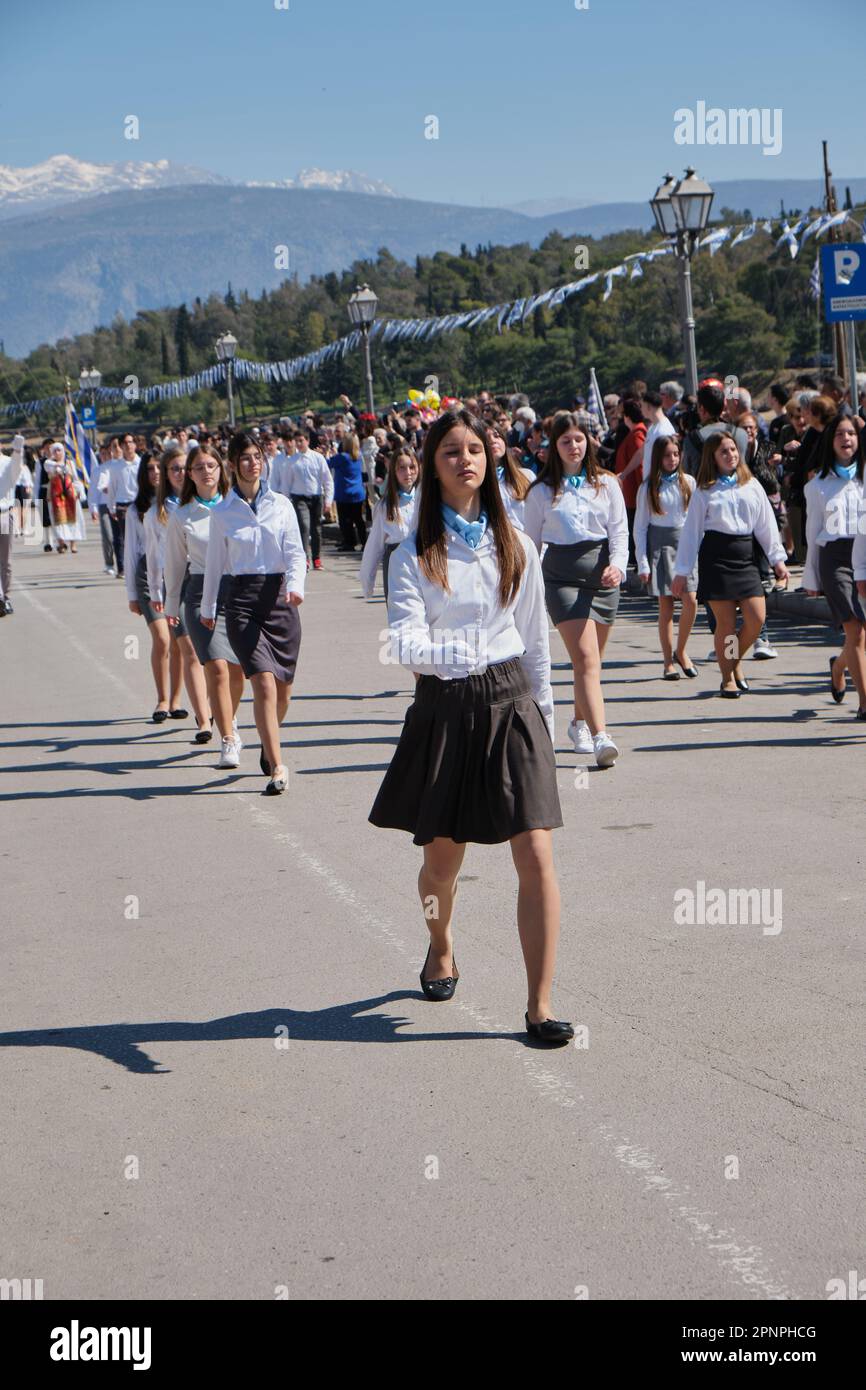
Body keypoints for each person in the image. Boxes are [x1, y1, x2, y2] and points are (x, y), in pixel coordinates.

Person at [368, 409, 572, 1044]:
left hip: (512, 703)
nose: (466, 460)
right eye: (451, 451)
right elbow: (402, 640)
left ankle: (539, 1008)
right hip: (446, 710)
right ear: (432, 465)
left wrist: (546, 713)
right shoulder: (413, 552)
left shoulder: (515, 541)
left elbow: (536, 636)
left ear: (490, 459)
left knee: (536, 852)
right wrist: (447, 654)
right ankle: (441, 941)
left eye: (476, 449)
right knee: (440, 867)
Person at [201, 432, 306, 795]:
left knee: (283, 691)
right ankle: (278, 766)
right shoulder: (223, 512)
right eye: (244, 457)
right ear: (233, 464)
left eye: (257, 456)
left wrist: (296, 586)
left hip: (280, 599)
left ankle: (267, 738)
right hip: (241, 601)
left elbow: (295, 552)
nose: (252, 463)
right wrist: (208, 607)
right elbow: (215, 563)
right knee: (261, 681)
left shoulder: (282, 505)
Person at [524, 410, 628, 767]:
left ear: (589, 442)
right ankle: (602, 737)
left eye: (579, 439)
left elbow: (619, 531)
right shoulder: (541, 491)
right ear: (553, 446)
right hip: (561, 580)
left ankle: (579, 723)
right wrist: (528, 588)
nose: (573, 446)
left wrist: (618, 565)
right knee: (585, 659)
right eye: (565, 440)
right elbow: (530, 543)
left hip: (602, 579)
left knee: (591, 663)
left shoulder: (607, 483)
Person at [672, 432, 788, 698]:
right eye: (724, 451)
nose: (731, 455)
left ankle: (733, 662)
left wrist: (777, 560)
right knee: (725, 625)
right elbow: (691, 533)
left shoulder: (752, 485)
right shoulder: (704, 490)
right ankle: (728, 679)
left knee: (756, 619)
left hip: (745, 557)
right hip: (716, 558)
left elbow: (766, 526)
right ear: (713, 457)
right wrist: (682, 571)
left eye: (733, 450)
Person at [153, 442, 246, 769]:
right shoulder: (182, 515)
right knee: (216, 667)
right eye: (198, 468)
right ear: (189, 476)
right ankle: (228, 739)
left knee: (238, 673)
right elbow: (175, 565)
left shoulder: (237, 506)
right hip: (198, 594)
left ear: (221, 469)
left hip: (236, 592)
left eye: (211, 466)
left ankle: (228, 717)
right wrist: (171, 605)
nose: (205, 472)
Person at [144, 447, 211, 741]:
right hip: (178, 584)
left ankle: (222, 711)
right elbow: (153, 559)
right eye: (174, 469)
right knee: (191, 652)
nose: (181, 474)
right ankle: (204, 719)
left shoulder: (210, 505)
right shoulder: (156, 513)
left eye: (186, 468)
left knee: (218, 657)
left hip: (208, 581)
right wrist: (156, 592)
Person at [804, 414, 866, 718]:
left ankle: (839, 665)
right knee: (854, 627)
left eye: (852, 433)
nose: (847, 439)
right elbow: (812, 532)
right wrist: (810, 575)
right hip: (835, 559)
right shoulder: (818, 486)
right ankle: (865, 703)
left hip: (864, 555)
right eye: (840, 434)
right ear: (831, 441)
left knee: (860, 635)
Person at [124, 453, 190, 721]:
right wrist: (131, 594)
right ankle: (161, 699)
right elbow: (130, 551)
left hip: (177, 575)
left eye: (158, 468)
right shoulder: (137, 509)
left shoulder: (180, 504)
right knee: (162, 639)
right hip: (147, 576)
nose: (154, 473)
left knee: (178, 642)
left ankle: (175, 700)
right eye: (149, 469)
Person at [635, 436, 698, 678]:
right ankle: (667, 661)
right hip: (660, 546)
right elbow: (640, 527)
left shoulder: (689, 482)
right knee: (667, 607)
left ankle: (681, 651)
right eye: (666, 455)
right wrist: (642, 561)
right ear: (657, 458)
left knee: (690, 600)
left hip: (685, 546)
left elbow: (695, 520)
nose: (672, 459)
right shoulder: (648, 487)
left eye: (675, 454)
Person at [359, 447, 419, 601]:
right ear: (394, 471)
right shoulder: (385, 506)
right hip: (396, 565)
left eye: (412, 467)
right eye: (402, 468)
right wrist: (368, 582)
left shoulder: (425, 500)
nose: (408, 473)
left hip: (422, 561)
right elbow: (374, 545)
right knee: (402, 617)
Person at [277, 430, 334, 571]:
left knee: (317, 529)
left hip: (316, 496)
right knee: (304, 526)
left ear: (307, 441)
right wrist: (285, 502)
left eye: (301, 440)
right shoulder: (291, 461)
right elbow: (286, 483)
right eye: (297, 441)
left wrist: (328, 500)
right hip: (299, 497)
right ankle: (304, 559)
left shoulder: (318, 458)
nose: (299, 444)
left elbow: (327, 480)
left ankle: (317, 558)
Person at [682, 382, 749, 478]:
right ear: (723, 407)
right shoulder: (741, 434)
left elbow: (688, 476)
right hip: (740, 488)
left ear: (701, 409)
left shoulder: (692, 439)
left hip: (706, 490)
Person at [613, 399, 647, 567]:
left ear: (627, 417)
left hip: (635, 495)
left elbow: (640, 466)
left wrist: (643, 494)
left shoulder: (637, 435)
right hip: (632, 493)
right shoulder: (635, 433)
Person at [484, 423, 534, 530]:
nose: (492, 440)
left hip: (532, 544)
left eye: (497, 436)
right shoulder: (478, 485)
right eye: (486, 438)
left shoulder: (526, 475)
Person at [106, 433, 141, 577]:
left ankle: (142, 567)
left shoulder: (142, 463)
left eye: (131, 442)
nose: (128, 445)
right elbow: (112, 488)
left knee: (143, 537)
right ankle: (126, 568)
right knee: (127, 539)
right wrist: (111, 507)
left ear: (135, 444)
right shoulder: (116, 467)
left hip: (140, 503)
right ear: (121, 446)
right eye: (125, 443)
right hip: (122, 505)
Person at [0, 435, 26, 617]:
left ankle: (6, 596)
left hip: (4, 514)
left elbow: (17, 470)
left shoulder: (9, 462)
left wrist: (18, 450)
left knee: (6, 561)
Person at [329, 432, 368, 552]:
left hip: (344, 492)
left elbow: (328, 463)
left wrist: (327, 453)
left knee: (345, 520)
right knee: (359, 519)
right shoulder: (359, 456)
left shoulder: (343, 457)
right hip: (358, 492)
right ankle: (364, 542)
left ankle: (349, 542)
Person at [46, 444, 86, 554]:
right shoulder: (49, 463)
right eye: (55, 451)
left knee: (72, 519)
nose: (57, 453)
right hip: (56, 496)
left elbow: (75, 478)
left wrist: (79, 492)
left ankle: (73, 544)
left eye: (59, 450)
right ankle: (61, 543)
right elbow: (50, 466)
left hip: (69, 494)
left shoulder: (70, 463)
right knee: (58, 520)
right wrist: (59, 466)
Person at [88, 442, 116, 574]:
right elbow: (93, 491)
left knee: (121, 537)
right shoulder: (97, 470)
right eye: (103, 454)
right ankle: (109, 563)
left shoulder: (116, 467)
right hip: (104, 506)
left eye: (108, 453)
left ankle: (123, 563)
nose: (105, 456)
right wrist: (93, 508)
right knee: (108, 535)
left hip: (117, 505)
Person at [640, 391, 676, 481]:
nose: (640, 409)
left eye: (642, 406)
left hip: (660, 484)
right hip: (650, 483)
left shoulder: (663, 430)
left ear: (648, 406)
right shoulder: (652, 427)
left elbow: (669, 461)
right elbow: (641, 452)